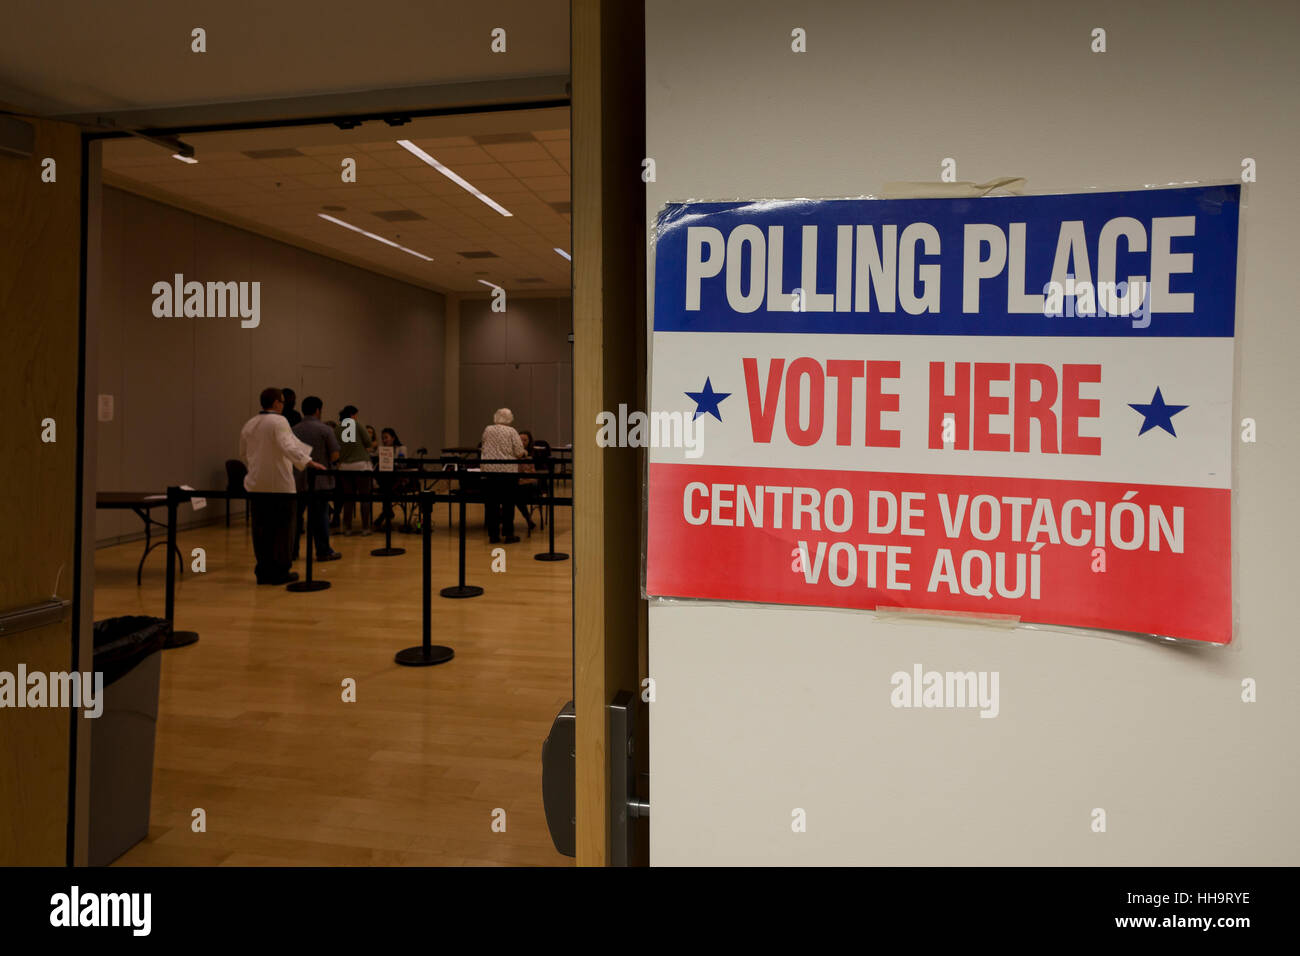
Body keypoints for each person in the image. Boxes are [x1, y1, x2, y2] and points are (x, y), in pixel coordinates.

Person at [239, 387, 325, 585]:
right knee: (283, 529)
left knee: (261, 530)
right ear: (277, 402)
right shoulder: (279, 421)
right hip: (279, 485)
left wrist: (256, 469)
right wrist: (309, 462)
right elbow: (289, 446)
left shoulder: (250, 423)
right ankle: (280, 570)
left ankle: (263, 570)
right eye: (282, 402)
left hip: (256, 485)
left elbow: (244, 453)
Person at [292, 396, 342, 562]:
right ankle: (323, 551)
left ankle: (292, 551)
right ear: (318, 410)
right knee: (320, 518)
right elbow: (335, 454)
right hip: (320, 481)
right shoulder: (325, 430)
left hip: (297, 480)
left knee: (296, 519)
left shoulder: (294, 429)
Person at [480, 408, 525, 544]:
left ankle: (493, 535)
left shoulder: (488, 429)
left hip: (490, 472)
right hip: (508, 472)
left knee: (492, 505)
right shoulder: (512, 431)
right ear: (510, 418)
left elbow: (483, 446)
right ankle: (508, 534)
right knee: (508, 504)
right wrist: (525, 453)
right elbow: (518, 452)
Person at [335, 405, 376, 535]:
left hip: (344, 467)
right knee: (365, 498)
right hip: (361, 465)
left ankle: (347, 528)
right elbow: (369, 442)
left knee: (348, 498)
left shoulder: (337, 428)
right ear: (353, 415)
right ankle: (365, 528)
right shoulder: (357, 425)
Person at [514, 430, 539, 533]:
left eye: (525, 440)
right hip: (519, 484)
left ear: (529, 442)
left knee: (515, 494)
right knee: (515, 494)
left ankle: (528, 519)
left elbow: (532, 474)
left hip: (530, 483)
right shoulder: (514, 453)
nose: (522, 442)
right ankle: (528, 518)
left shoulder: (531, 455)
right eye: (520, 440)